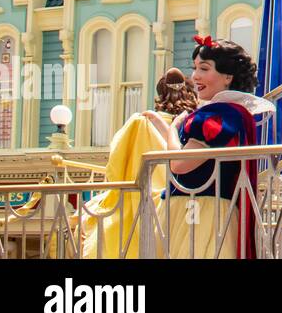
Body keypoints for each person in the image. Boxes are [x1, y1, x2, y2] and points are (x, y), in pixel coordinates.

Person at [144, 37, 274, 258]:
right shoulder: (231, 112)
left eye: (204, 68)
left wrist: (174, 129)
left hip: (199, 212)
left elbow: (179, 163)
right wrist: (165, 127)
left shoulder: (218, 116)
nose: (195, 76)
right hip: (203, 208)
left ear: (227, 77)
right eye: (195, 68)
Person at [78, 68, 198, 258]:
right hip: (185, 203)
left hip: (141, 200)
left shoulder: (142, 122)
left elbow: (116, 165)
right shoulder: (195, 124)